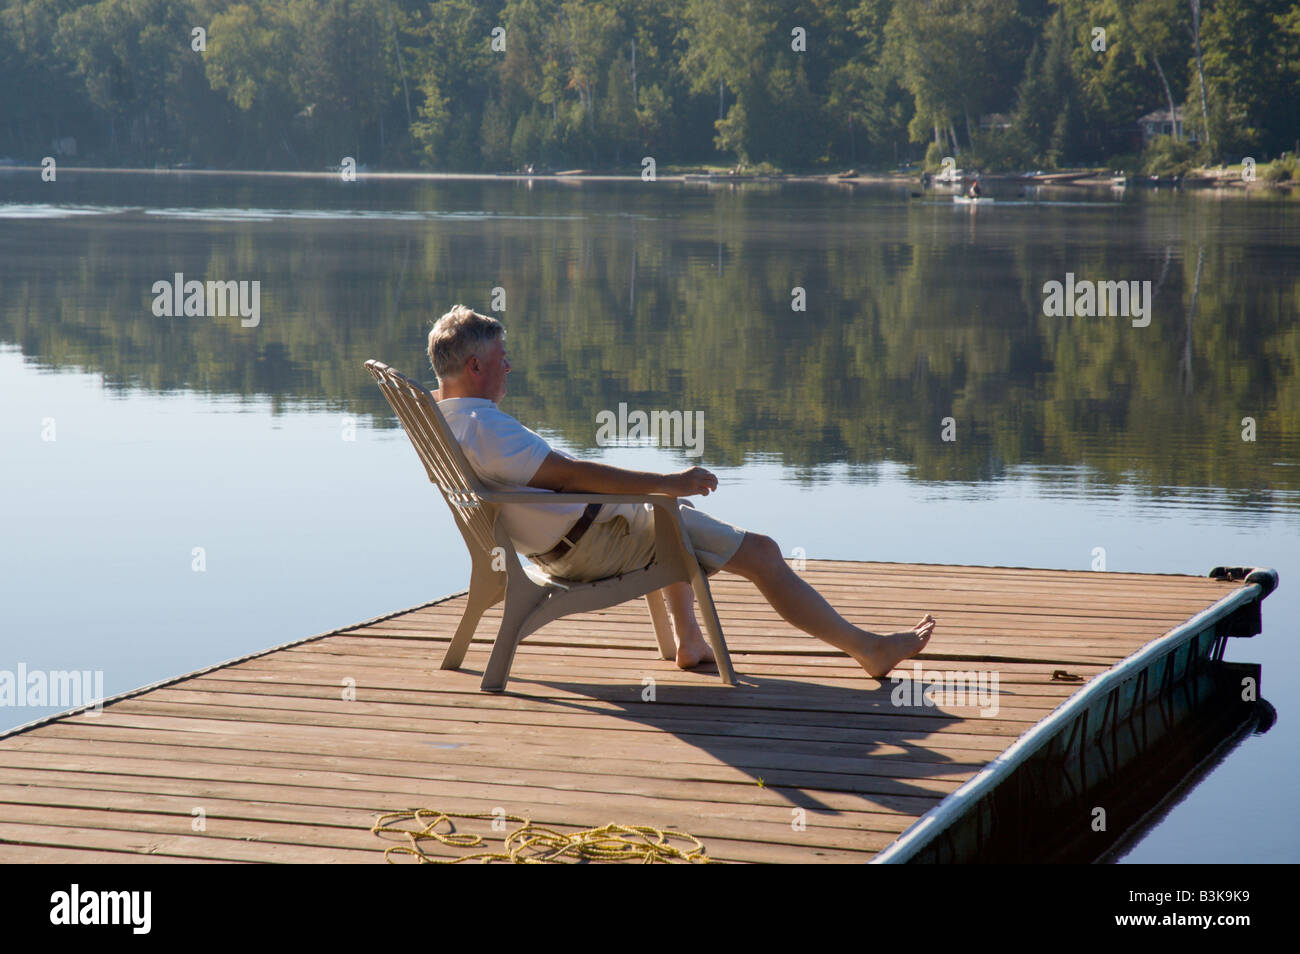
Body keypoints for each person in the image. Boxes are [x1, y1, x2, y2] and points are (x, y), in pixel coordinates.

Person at [426, 304, 936, 679]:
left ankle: (689, 640)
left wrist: (658, 494)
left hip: (555, 546)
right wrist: (667, 481)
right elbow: (570, 475)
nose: (509, 367)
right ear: (475, 367)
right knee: (761, 551)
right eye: (502, 358)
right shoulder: (486, 427)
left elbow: (563, 478)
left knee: (665, 512)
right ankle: (868, 650)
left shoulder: (446, 419)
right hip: (589, 547)